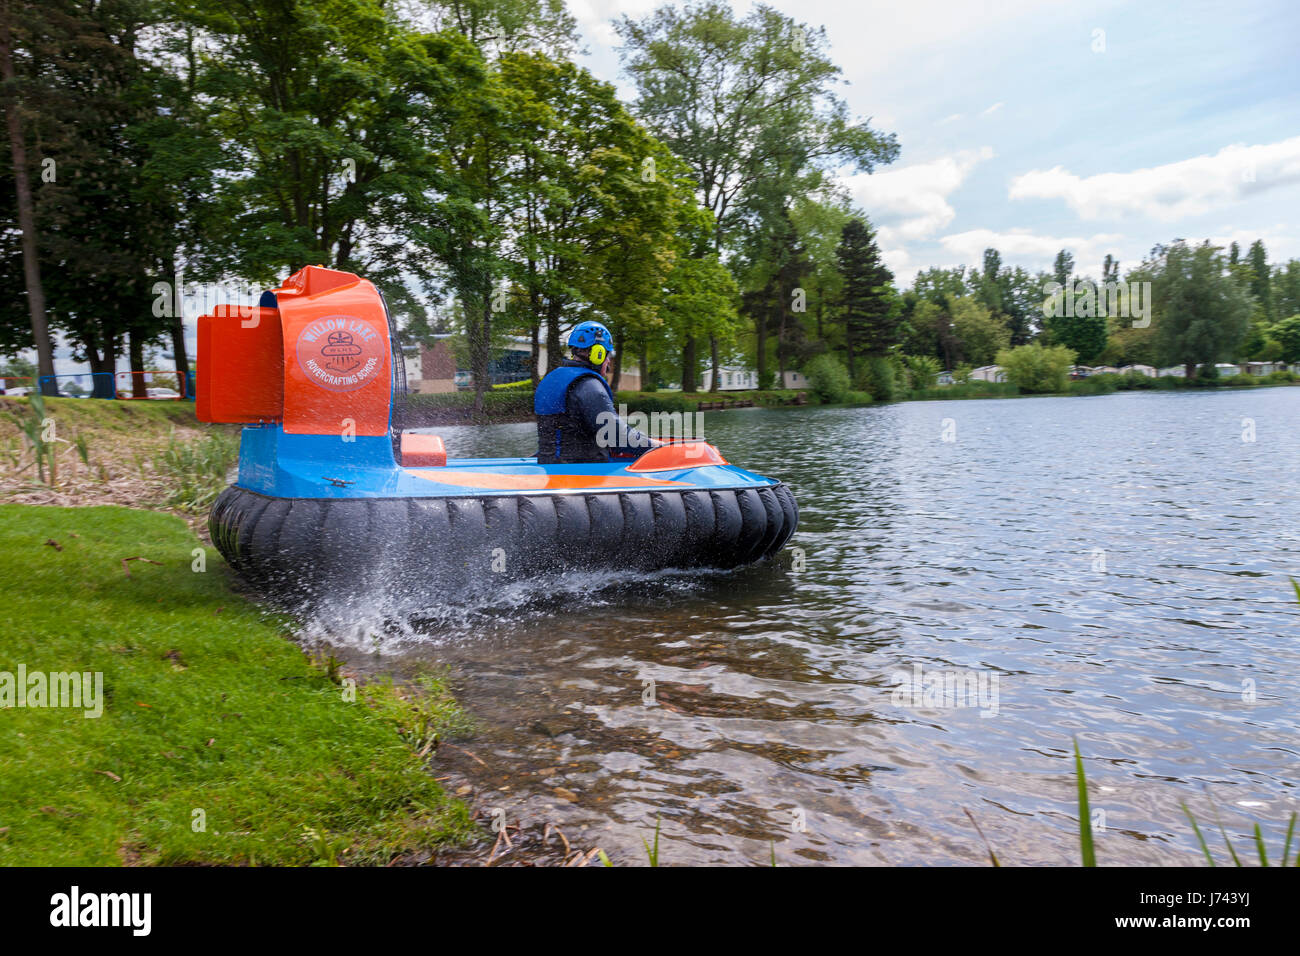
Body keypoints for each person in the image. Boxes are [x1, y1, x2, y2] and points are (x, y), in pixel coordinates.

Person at [535, 321, 660, 464]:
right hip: (581, 474)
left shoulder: (551, 379)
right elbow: (617, 436)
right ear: (598, 354)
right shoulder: (590, 387)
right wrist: (655, 446)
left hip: (549, 465)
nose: (608, 362)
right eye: (607, 356)